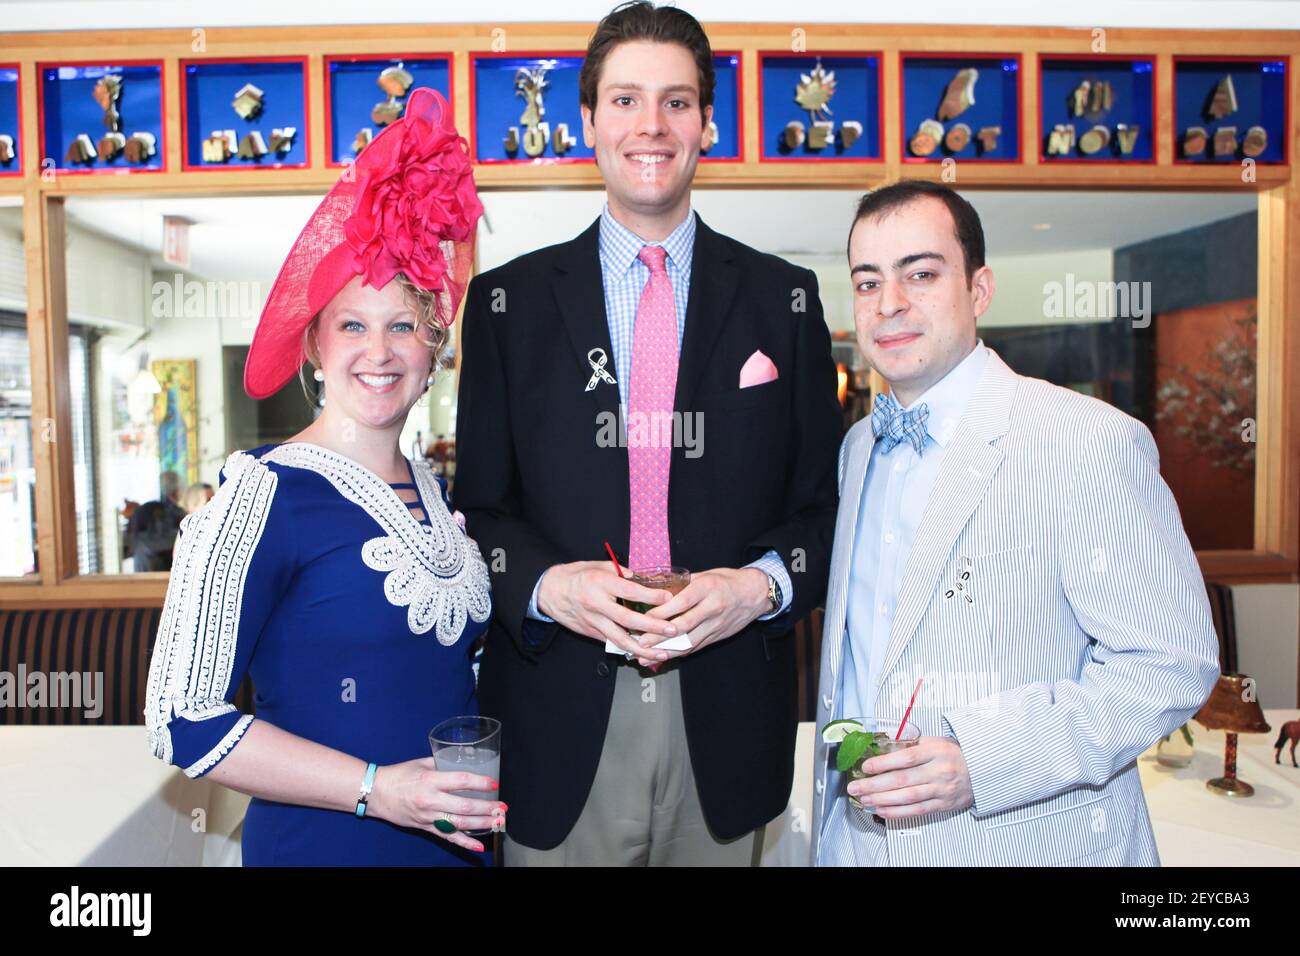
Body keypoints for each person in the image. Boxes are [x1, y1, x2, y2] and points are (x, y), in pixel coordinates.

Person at [455, 1, 842, 866]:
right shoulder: (508, 306)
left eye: (676, 100)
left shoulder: (786, 301)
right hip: (558, 712)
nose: (652, 125)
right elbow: (476, 511)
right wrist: (549, 586)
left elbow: (824, 510)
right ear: (588, 120)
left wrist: (756, 587)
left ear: (707, 121)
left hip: (731, 713)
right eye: (626, 100)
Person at [812, 179, 1220, 866]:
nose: (890, 304)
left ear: (979, 290)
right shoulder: (856, 451)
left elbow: (1169, 665)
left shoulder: (1085, 440)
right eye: (868, 281)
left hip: (1022, 843)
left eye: (921, 273)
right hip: (854, 844)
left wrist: (983, 759)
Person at [144, 89, 504, 866]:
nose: (379, 350)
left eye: (403, 325)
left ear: (432, 349)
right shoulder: (261, 495)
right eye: (353, 325)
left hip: (453, 848)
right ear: (313, 345)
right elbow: (181, 718)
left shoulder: (436, 495)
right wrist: (377, 787)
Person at [126, 470, 185, 571]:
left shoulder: (144, 509)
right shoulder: (177, 514)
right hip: (167, 570)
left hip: (143, 566)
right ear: (177, 490)